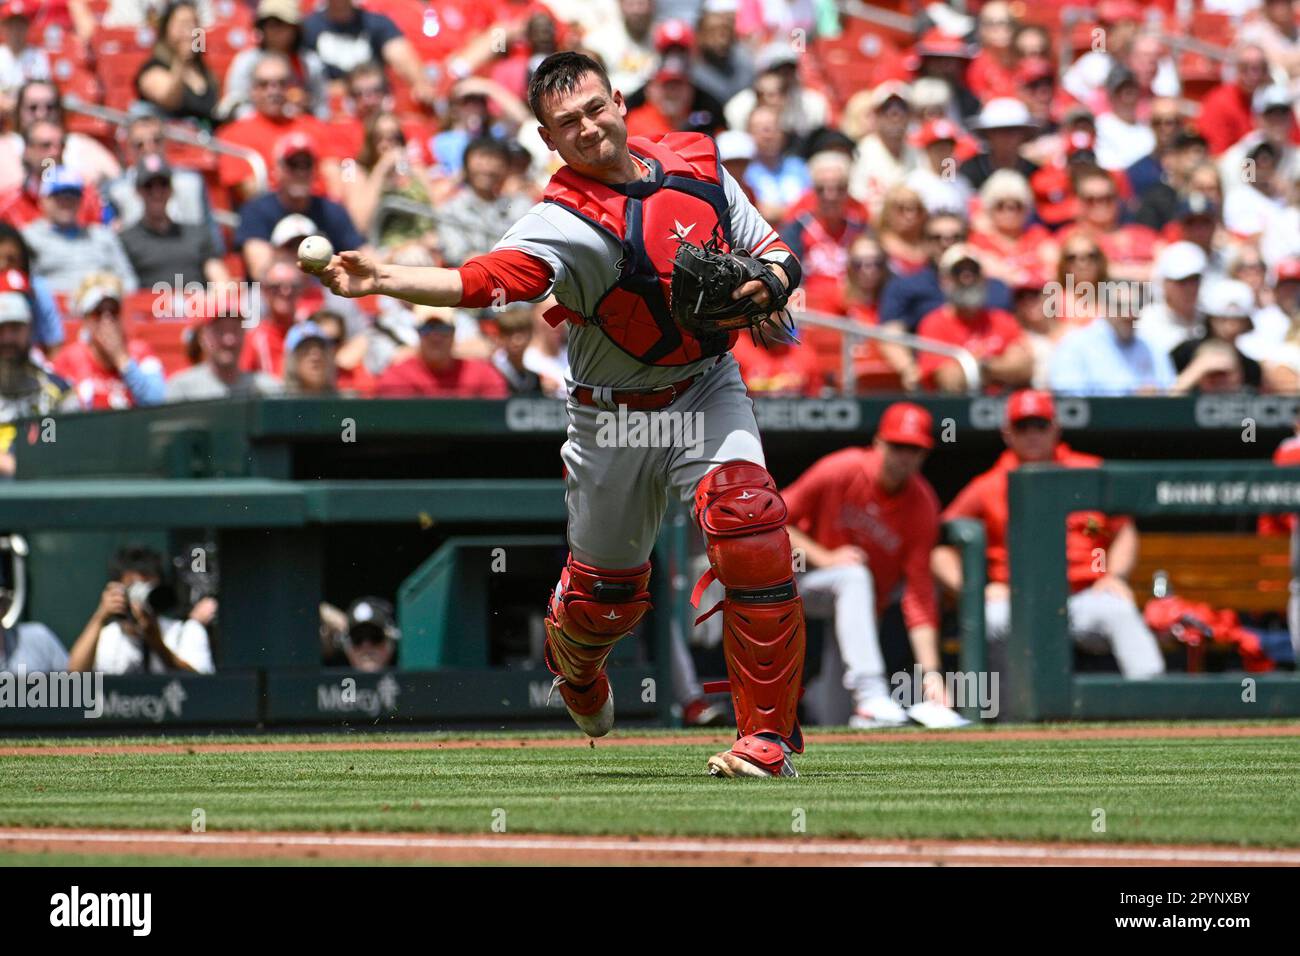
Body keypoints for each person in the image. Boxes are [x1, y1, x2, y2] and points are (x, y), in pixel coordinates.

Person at [311, 51, 808, 779]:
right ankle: (575, 664)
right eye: (566, 122)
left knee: (751, 523)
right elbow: (481, 281)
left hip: (706, 386)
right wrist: (382, 276)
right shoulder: (562, 221)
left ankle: (766, 739)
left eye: (594, 109)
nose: (586, 127)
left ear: (617, 101)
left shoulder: (697, 161)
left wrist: (766, 287)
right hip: (612, 420)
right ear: (548, 140)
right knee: (603, 602)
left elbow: (775, 251)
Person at [931, 389, 1166, 691]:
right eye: (1022, 427)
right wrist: (975, 590)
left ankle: (1156, 707)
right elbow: (941, 549)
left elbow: (1123, 529)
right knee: (990, 618)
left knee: (1117, 609)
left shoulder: (1088, 470)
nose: (1032, 435)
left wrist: (1115, 575)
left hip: (1083, 595)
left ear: (1055, 428)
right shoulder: (987, 485)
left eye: (1040, 426)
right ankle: (1005, 720)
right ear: (1007, 433)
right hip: (1017, 599)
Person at [782, 403, 964, 728]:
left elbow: (919, 595)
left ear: (924, 455)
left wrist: (932, 673)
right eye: (898, 446)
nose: (904, 457)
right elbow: (774, 516)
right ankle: (871, 692)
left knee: (836, 719)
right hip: (799, 582)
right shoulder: (842, 468)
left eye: (914, 449)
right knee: (853, 576)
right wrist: (824, 556)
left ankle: (864, 706)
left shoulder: (922, 504)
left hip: (858, 609)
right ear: (879, 443)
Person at [234, 131, 367, 281]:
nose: (300, 172)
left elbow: (364, 254)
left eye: (307, 164)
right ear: (278, 169)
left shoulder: (331, 210)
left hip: (326, 294)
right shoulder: (256, 210)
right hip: (274, 294)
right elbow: (260, 271)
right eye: (293, 164)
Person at [67, 545, 214, 674]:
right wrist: (100, 617)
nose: (142, 596)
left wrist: (156, 642)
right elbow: (73, 682)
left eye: (149, 587)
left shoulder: (185, 632)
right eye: (134, 587)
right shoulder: (105, 637)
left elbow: (200, 687)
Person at [916, 244, 1033, 393]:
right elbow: (949, 380)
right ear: (945, 281)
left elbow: (1024, 369)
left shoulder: (1002, 319)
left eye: (974, 271)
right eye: (958, 272)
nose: (967, 278)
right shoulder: (933, 323)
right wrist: (999, 367)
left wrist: (978, 366)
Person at [0, 271, 75, 477]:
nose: (7, 339)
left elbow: (69, 446)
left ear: (30, 329)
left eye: (15, 328)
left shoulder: (56, 391)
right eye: (0, 329)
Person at [53, 274, 164, 409]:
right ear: (86, 319)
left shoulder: (141, 352)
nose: (107, 319)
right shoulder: (69, 359)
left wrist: (122, 359)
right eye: (98, 312)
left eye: (113, 311)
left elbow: (157, 401)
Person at [119, 155, 229, 289]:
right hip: (151, 307)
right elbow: (124, 285)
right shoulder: (125, 240)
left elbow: (219, 279)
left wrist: (219, 292)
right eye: (149, 186)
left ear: (171, 189)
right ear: (138, 191)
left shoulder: (197, 233)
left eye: (163, 184)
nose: (157, 192)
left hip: (197, 306)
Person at [21, 167, 136, 295]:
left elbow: (129, 282)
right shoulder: (28, 238)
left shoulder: (101, 235)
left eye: (73, 196)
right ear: (43, 200)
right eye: (59, 196)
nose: (67, 202)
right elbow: (23, 283)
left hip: (102, 309)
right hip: (54, 309)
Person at [218, 0, 330, 122]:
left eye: (282, 23)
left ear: (295, 28)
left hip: (298, 131)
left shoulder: (309, 63)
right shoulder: (246, 61)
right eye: (269, 23)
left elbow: (322, 110)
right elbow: (235, 104)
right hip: (256, 130)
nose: (276, 30)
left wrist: (308, 106)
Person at [373, 307, 508, 397]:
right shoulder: (399, 374)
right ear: (417, 333)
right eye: (426, 328)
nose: (435, 336)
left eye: (443, 328)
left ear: (454, 332)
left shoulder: (480, 372)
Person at [134, 0, 219, 129]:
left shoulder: (204, 71)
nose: (189, 31)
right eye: (182, 24)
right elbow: (170, 99)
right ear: (166, 29)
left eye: (194, 24)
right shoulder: (153, 67)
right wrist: (181, 60)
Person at [165, 311, 283, 401]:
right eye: (220, 331)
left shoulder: (268, 388)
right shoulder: (183, 389)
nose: (229, 340)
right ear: (202, 338)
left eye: (235, 330)